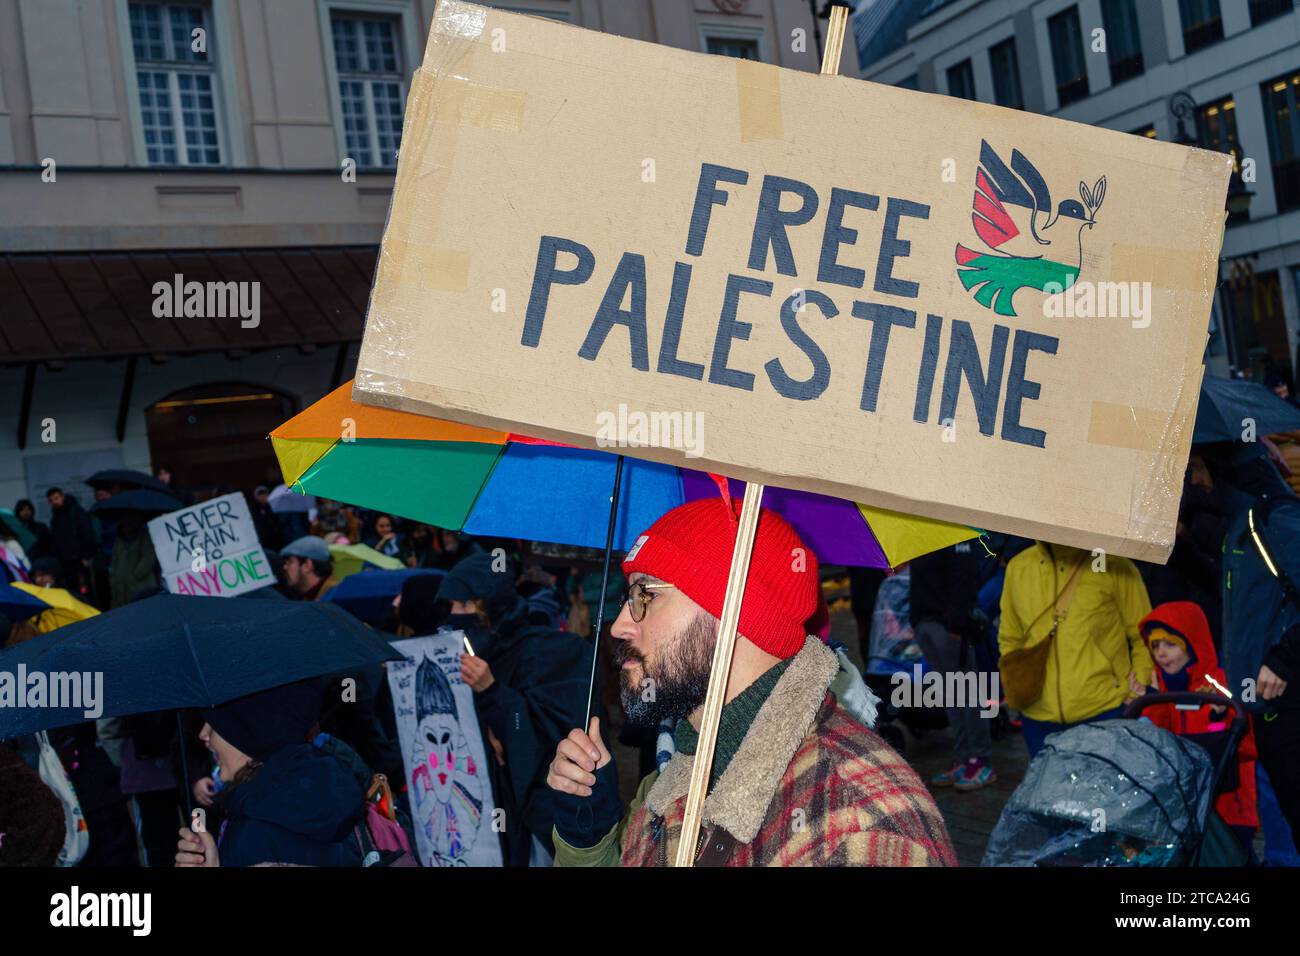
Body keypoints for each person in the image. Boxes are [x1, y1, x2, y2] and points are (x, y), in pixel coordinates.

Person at [546, 497, 956, 867]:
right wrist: (590, 832)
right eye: (626, 599)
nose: (619, 626)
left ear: (737, 615)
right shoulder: (676, 776)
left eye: (645, 595)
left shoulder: (860, 824)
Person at [437, 552, 596, 866]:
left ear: (490, 605)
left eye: (465, 605)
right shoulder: (477, 649)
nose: (455, 614)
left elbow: (541, 736)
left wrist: (493, 692)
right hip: (488, 809)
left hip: (538, 814)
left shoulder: (543, 651)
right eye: (451, 605)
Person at [175, 680, 365, 867]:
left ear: (248, 731)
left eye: (214, 724)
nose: (203, 734)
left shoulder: (253, 833)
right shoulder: (324, 796)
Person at [997, 541, 1154, 759]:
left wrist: (1136, 689)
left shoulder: (1112, 563)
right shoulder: (1019, 567)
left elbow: (1144, 633)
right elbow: (1010, 638)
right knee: (1050, 793)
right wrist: (1017, 683)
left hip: (1105, 711)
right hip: (1038, 717)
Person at [1135, 601, 1258, 857]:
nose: (1161, 653)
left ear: (1192, 645)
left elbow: (1248, 746)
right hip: (1185, 806)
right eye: (1155, 646)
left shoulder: (1221, 686)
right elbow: (1158, 739)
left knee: (1233, 857)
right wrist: (1150, 699)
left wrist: (1217, 722)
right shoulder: (1164, 692)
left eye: (1170, 644)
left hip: (1227, 804)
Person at [1221, 489, 1300, 843]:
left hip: (1288, 705)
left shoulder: (1276, 519)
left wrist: (1284, 659)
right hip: (1268, 708)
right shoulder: (1238, 523)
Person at [911, 540, 995, 790]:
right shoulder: (923, 531)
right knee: (952, 696)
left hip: (948, 628)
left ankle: (980, 761)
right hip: (928, 624)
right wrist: (917, 620)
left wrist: (956, 624)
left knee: (966, 694)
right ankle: (962, 758)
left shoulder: (956, 534)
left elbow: (965, 577)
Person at [45, 487, 96, 598]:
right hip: (65, 563)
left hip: (79, 560)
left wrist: (86, 556)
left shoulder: (76, 512)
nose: (54, 502)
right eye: (51, 500)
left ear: (62, 497)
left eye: (56, 498)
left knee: (85, 591)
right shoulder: (55, 519)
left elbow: (87, 533)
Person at [109, 516, 160, 608]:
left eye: (128, 524)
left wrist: (134, 575)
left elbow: (148, 559)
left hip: (140, 586)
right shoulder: (119, 541)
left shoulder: (144, 537)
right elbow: (115, 560)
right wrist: (114, 579)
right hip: (121, 589)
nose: (126, 528)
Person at [280, 535, 339, 601]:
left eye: (290, 561)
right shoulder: (313, 595)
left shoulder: (334, 598)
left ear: (307, 565)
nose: (285, 567)